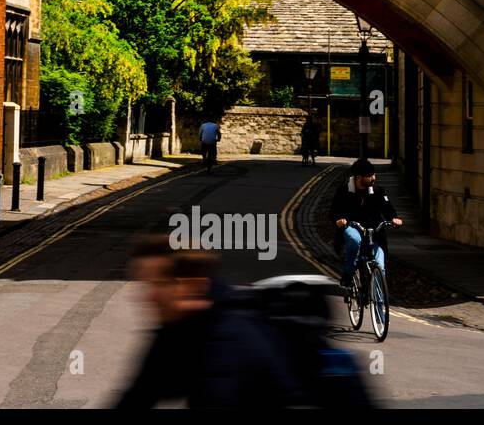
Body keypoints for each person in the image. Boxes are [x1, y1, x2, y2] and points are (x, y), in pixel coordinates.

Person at [115, 237, 303, 408]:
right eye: (147, 284)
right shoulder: (176, 330)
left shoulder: (231, 343)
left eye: (161, 284)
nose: (149, 296)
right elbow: (139, 396)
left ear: (193, 284)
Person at [330, 158, 402, 291]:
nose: (373, 178)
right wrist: (339, 220)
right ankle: (349, 272)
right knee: (354, 239)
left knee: (380, 267)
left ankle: (380, 308)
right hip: (352, 226)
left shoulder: (378, 190)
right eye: (369, 176)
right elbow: (334, 211)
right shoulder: (344, 190)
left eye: (374, 175)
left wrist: (394, 218)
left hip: (374, 232)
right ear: (358, 178)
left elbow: (387, 208)